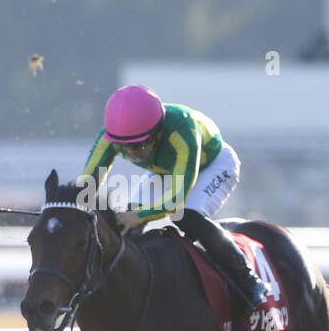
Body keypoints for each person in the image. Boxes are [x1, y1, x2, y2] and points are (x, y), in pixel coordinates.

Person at [82, 84, 268, 307]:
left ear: (158, 131)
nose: (133, 153)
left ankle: (248, 279)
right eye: (125, 147)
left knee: (187, 216)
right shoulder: (109, 137)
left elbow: (176, 200)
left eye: (140, 144)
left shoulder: (182, 129)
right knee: (126, 226)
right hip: (166, 169)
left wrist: (140, 216)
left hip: (213, 165)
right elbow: (86, 184)